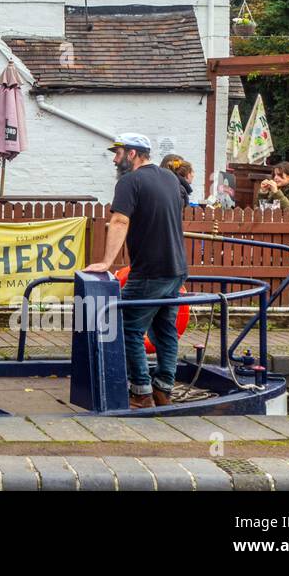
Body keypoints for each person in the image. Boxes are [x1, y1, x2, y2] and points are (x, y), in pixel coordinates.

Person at [84, 133, 187, 410]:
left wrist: (106, 262)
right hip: (176, 269)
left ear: (132, 154)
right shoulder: (170, 178)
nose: (115, 160)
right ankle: (164, 390)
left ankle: (141, 392)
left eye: (118, 153)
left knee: (128, 326)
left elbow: (119, 220)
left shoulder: (129, 181)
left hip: (150, 270)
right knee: (165, 331)